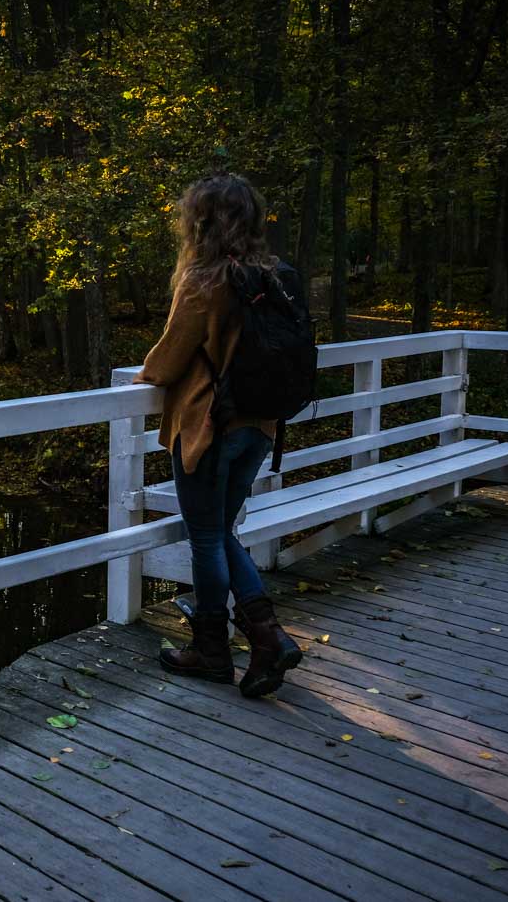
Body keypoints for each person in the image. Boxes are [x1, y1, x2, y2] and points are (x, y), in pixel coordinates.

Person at [132, 173, 303, 697]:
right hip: (261, 424)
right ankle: (266, 635)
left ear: (199, 222)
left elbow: (167, 361)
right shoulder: (276, 275)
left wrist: (140, 378)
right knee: (222, 531)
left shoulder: (204, 280)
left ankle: (215, 649)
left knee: (206, 537)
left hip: (211, 426)